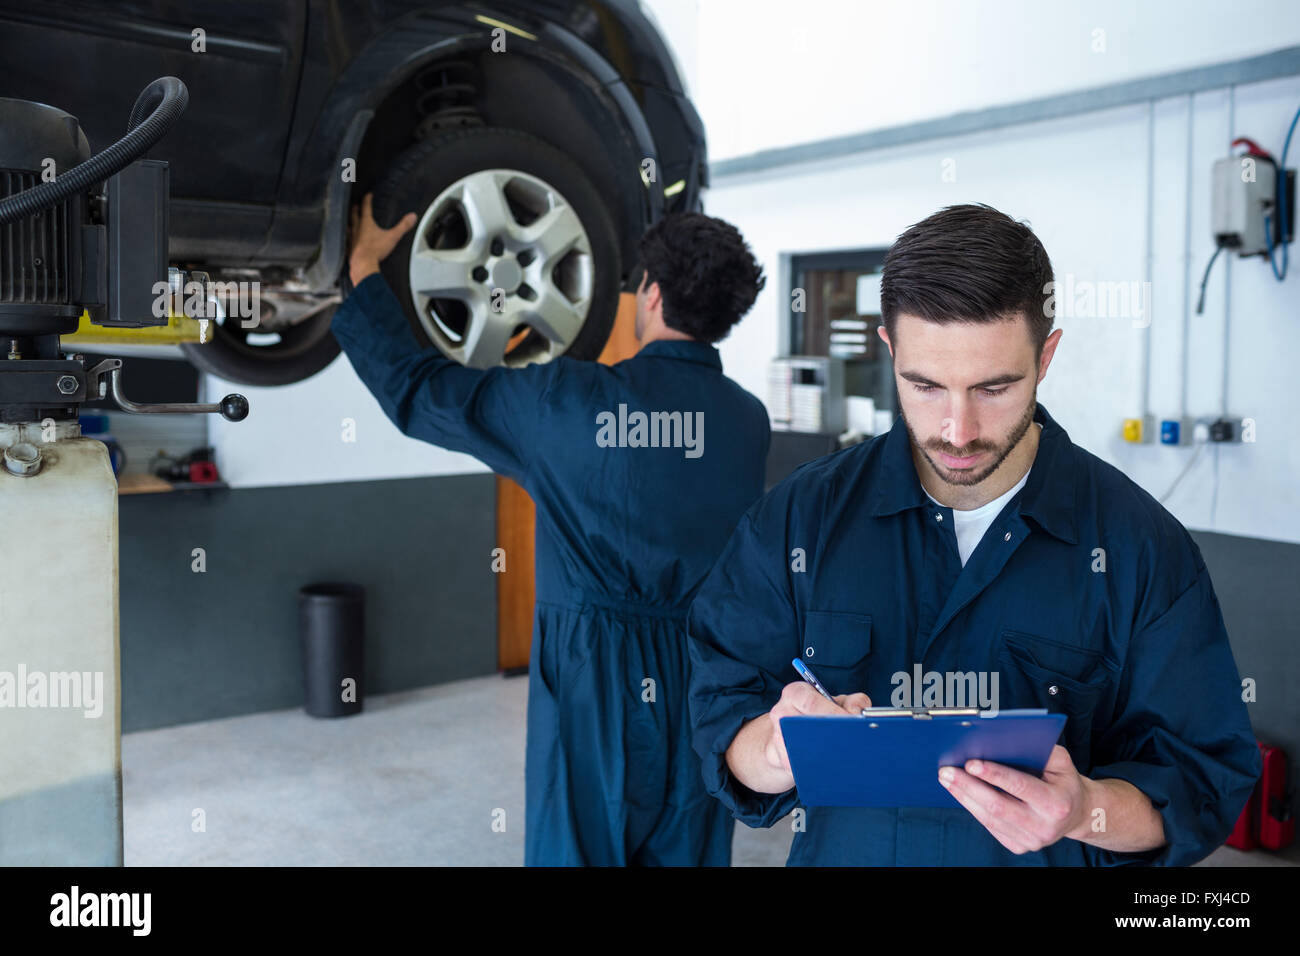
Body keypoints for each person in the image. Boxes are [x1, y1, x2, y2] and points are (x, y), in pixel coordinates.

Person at [686, 203, 1260, 866]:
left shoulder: (1141, 548)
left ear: (1046, 356)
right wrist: (776, 747)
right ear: (889, 351)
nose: (957, 429)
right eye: (925, 385)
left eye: (994, 388)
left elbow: (1200, 785)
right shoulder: (796, 523)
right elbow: (723, 727)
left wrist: (1085, 810)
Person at [333, 196, 770, 865]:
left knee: (578, 844)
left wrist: (363, 270)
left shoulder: (564, 402)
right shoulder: (747, 422)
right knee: (690, 844)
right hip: (704, 673)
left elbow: (420, 393)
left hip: (592, 675)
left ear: (649, 293)